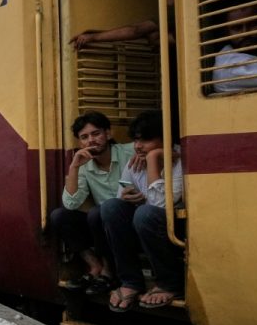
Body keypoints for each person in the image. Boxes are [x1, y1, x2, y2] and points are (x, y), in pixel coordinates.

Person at [98, 110, 184, 311]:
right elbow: (120, 194)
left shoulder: (180, 161)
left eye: (145, 141)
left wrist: (154, 159)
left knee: (145, 214)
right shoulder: (135, 161)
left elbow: (160, 206)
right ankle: (131, 282)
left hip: (176, 230)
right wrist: (126, 197)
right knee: (110, 207)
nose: (137, 146)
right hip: (147, 229)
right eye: (136, 140)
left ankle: (170, 283)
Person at [50, 111, 135, 296]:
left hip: (131, 222)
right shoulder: (83, 164)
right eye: (84, 137)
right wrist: (74, 167)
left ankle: (108, 271)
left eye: (96, 134)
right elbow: (71, 204)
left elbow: (170, 150)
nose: (91, 140)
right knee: (60, 216)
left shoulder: (131, 152)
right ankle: (95, 266)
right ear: (80, 142)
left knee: (100, 211)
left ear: (108, 134)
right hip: (102, 225)